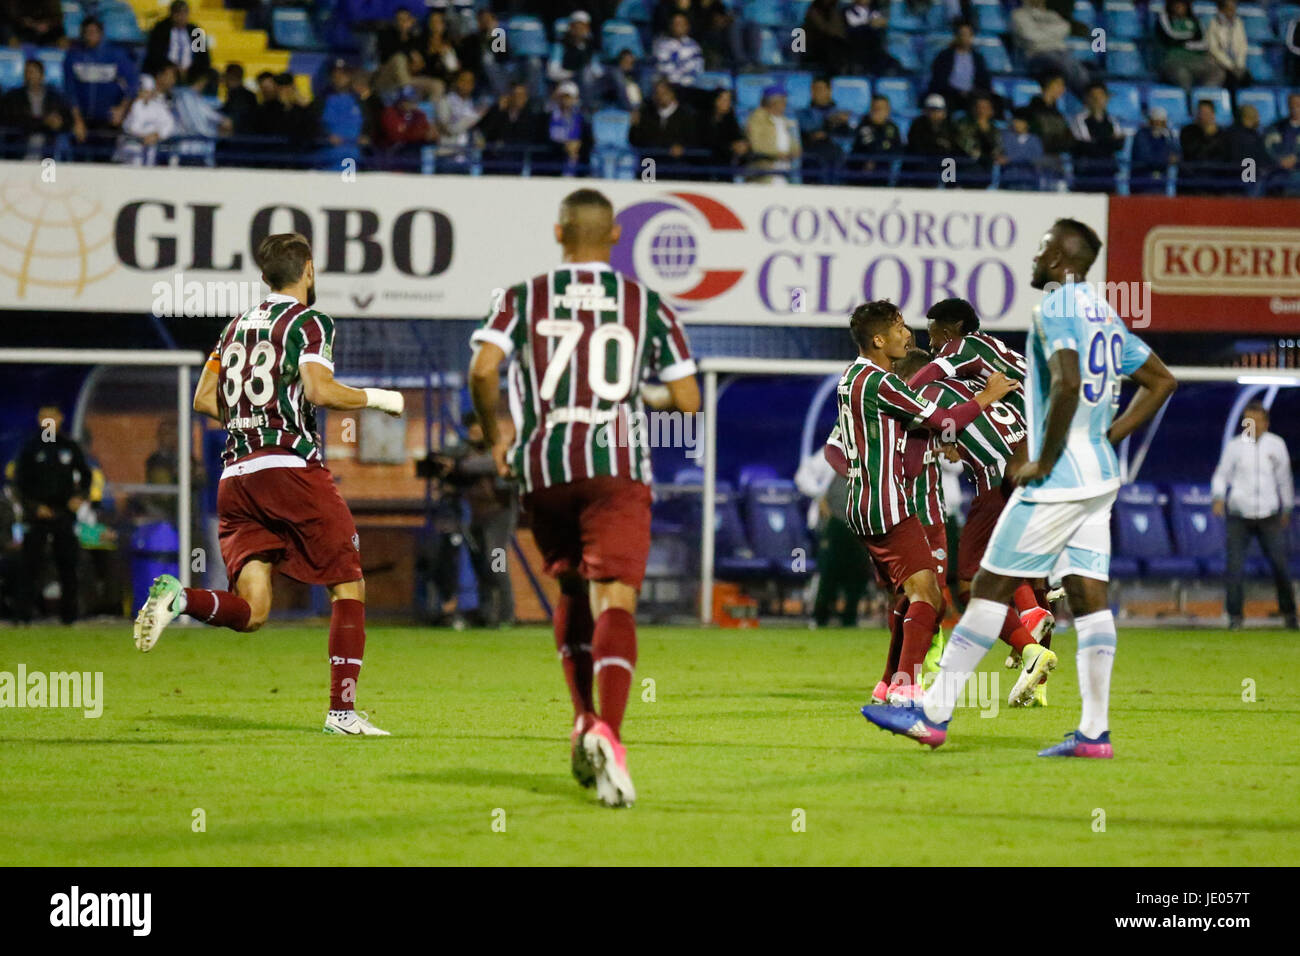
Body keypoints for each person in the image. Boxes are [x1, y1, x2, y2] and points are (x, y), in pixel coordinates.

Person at [864, 219, 1178, 757]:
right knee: (1090, 598)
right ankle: (1094, 733)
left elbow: (1069, 380)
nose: (1034, 256)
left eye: (1041, 247)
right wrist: (1106, 435)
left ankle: (932, 716)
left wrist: (1043, 459)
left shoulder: (1054, 308)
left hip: (1059, 479)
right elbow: (1162, 380)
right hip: (1100, 477)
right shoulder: (1102, 313)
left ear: (1059, 259)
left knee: (981, 588)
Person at [467, 188, 702, 808]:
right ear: (617, 238)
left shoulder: (522, 298)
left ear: (558, 233)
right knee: (615, 600)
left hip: (544, 466)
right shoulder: (645, 303)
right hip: (616, 463)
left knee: (571, 590)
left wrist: (499, 437)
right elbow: (688, 402)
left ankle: (580, 718)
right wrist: (634, 398)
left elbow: (484, 370)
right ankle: (611, 738)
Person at [132, 232, 406, 737]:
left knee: (255, 611)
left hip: (236, 477)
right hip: (289, 468)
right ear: (306, 269)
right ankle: (342, 713)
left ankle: (179, 600)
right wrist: (378, 398)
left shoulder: (234, 328)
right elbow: (320, 390)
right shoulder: (310, 321)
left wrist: (253, 416)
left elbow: (204, 398)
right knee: (349, 582)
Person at [823, 302, 1018, 702]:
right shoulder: (882, 382)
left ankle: (887, 681)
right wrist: (985, 397)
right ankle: (907, 686)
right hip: (889, 506)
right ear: (879, 340)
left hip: (864, 504)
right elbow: (941, 421)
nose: (907, 334)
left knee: (910, 595)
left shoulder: (851, 378)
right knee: (929, 597)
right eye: (898, 328)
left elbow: (905, 433)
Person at [1211, 402, 1297, 630]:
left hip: (1269, 515)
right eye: (1248, 420)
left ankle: (1289, 614)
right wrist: (1219, 496)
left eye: (1257, 420)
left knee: (1280, 565)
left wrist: (1286, 507)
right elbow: (1222, 475)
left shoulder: (1276, 445)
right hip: (1240, 515)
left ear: (1266, 423)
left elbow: (1284, 479)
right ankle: (1235, 617)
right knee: (1235, 567)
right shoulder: (1235, 447)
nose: (1252, 425)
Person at [431, 413, 519, 628]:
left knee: (496, 561)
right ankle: (487, 614)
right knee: (481, 564)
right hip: (478, 516)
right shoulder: (466, 451)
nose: (474, 434)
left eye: (478, 429)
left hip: (499, 516)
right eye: (471, 430)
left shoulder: (497, 450)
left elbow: (483, 465)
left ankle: (506, 614)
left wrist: (456, 465)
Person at [13, 405, 91, 624]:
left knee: (67, 564)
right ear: (39, 420)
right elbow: (20, 482)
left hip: (63, 514)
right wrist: (34, 507)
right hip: (37, 516)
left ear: (60, 419)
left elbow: (86, 476)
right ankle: (23, 617)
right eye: (44, 417)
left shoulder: (69, 447)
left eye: (52, 417)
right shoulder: (31, 447)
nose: (48, 421)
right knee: (30, 564)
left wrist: (79, 498)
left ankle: (69, 617)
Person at [65, 17, 138, 143]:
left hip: (108, 121)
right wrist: (77, 120)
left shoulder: (116, 55)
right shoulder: (73, 56)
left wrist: (121, 109)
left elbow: (132, 84)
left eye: (94, 32)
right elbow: (70, 91)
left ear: (101, 33)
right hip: (83, 121)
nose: (90, 36)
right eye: (87, 33)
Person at [0, 59, 73, 160]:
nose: (29, 76)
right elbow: (14, 120)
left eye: (32, 72)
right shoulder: (13, 97)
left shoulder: (55, 97)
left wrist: (60, 123)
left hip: (48, 145)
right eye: (27, 72)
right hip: (21, 145)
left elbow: (67, 120)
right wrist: (44, 121)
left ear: (42, 75)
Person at [1011, 0, 1089, 95]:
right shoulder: (1018, 15)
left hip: (1060, 52)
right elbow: (1031, 37)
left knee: (1082, 69)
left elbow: (1066, 27)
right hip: (1035, 55)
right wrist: (1053, 34)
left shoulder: (1052, 14)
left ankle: (1088, 96)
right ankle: (1085, 97)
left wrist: (1041, 33)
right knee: (1063, 64)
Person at [1154, 0, 1226, 90]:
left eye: (1182, 4)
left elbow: (1204, 42)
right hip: (1173, 61)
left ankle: (1202, 98)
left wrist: (1185, 43)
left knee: (1218, 72)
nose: (1179, 7)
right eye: (1176, 4)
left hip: (1197, 59)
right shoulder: (1164, 19)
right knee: (1183, 76)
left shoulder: (1195, 21)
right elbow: (1169, 39)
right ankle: (1187, 101)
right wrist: (1190, 38)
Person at [928, 20, 992, 114]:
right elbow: (938, 79)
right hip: (949, 93)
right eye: (962, 34)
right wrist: (957, 91)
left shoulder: (978, 58)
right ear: (956, 36)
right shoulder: (944, 56)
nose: (965, 38)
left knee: (990, 101)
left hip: (971, 95)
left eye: (968, 35)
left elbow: (984, 80)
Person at [1070, 82, 1125, 189]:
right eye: (1094, 97)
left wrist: (1098, 142)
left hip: (1108, 174)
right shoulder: (1079, 119)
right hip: (1086, 175)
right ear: (1087, 99)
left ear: (1106, 98)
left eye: (1101, 96)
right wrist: (1108, 142)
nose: (1097, 100)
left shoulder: (1112, 120)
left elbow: (1119, 144)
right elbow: (1086, 146)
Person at [143, 0, 211, 84]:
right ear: (172, 14)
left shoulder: (195, 31)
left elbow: (204, 58)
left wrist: (192, 70)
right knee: (166, 73)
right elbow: (155, 54)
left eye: (184, 13)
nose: (181, 17)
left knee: (211, 74)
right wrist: (173, 67)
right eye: (178, 13)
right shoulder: (160, 29)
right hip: (167, 69)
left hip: (191, 71)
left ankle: (195, 94)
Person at [116, 71, 176, 166]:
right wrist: (145, 136)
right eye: (141, 91)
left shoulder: (158, 106)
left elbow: (169, 124)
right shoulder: (129, 106)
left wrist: (157, 135)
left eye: (147, 91)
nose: (144, 94)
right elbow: (131, 127)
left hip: (152, 146)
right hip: (131, 147)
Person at [745, 86, 800, 183]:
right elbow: (756, 145)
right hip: (765, 172)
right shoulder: (757, 119)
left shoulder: (785, 120)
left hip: (786, 172)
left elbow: (794, 143)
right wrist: (778, 154)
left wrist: (794, 151)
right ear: (772, 102)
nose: (785, 104)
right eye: (782, 101)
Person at [1180, 98, 1231, 192]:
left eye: (1206, 113)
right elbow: (1193, 154)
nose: (1203, 116)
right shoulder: (1188, 132)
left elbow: (1223, 157)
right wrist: (1208, 136)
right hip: (1193, 182)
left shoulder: (1223, 135)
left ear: (1213, 114)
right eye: (1201, 113)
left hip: (1216, 183)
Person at [1130, 106, 1180, 193]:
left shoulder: (1168, 135)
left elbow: (1177, 154)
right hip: (1142, 180)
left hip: (1161, 182)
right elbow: (1145, 157)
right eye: (1156, 122)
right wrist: (1166, 159)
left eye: (1162, 122)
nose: (1159, 125)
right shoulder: (1141, 135)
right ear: (1150, 121)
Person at [853, 94, 902, 182]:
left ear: (888, 110)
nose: (877, 111)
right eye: (875, 108)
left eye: (881, 108)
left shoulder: (893, 128)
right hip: (862, 176)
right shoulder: (863, 126)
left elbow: (897, 150)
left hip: (885, 173)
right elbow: (869, 148)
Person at [653, 11, 705, 93]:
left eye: (681, 24)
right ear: (670, 26)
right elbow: (663, 68)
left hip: (691, 86)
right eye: (676, 24)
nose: (678, 26)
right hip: (670, 86)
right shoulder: (662, 45)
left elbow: (698, 67)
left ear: (687, 26)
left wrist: (687, 80)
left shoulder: (694, 46)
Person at [1206, 0, 1250, 93]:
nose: (1232, 11)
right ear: (1222, 10)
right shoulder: (1213, 23)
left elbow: (1242, 45)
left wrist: (1239, 64)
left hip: (1237, 63)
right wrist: (1230, 65)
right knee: (1230, 79)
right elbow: (1214, 49)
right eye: (1229, 8)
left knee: (1246, 78)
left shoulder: (1238, 22)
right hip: (1220, 63)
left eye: (1233, 8)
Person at [999, 106, 1046, 189]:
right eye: (1015, 121)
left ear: (1027, 123)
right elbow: (1000, 155)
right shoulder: (1005, 137)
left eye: (1020, 121)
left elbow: (1037, 158)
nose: (1016, 124)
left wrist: (1011, 159)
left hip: (1029, 183)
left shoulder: (1034, 140)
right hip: (1008, 182)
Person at [1264, 92, 1300, 196]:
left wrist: (1296, 159)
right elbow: (1267, 148)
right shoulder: (1276, 127)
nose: (1295, 108)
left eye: (1298, 105)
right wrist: (1280, 160)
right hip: (1278, 170)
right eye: (1292, 104)